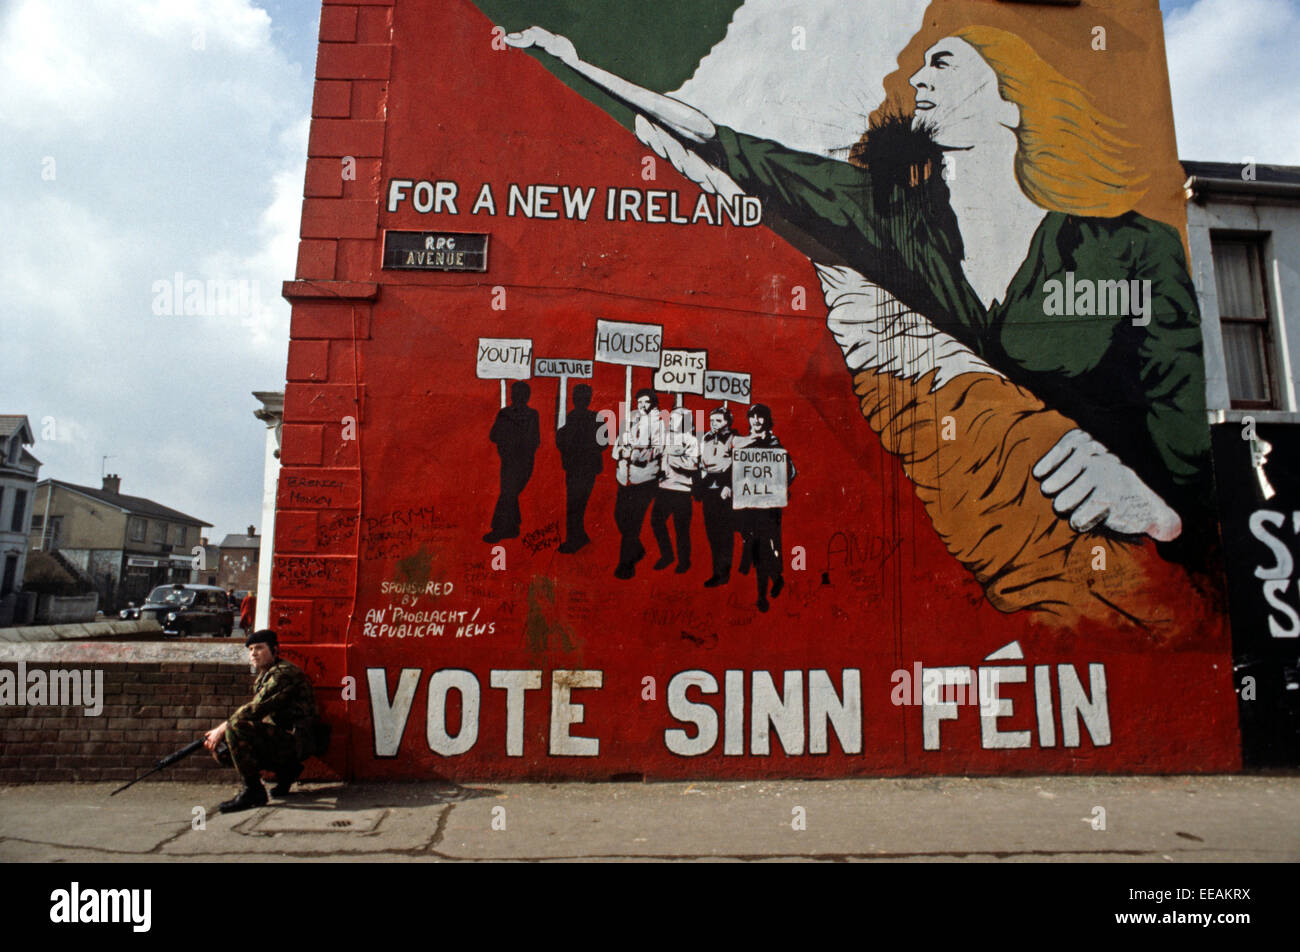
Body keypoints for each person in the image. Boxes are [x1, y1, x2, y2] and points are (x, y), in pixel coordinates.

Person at [503, 25, 1209, 566]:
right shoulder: (888, 217)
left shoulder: (1131, 247)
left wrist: (1153, 500)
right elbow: (726, 143)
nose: (919, 78)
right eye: (921, 65)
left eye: (944, 63)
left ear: (1010, 101)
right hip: (996, 541)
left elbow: (1185, 446)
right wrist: (574, 62)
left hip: (1135, 559)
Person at [203, 629, 318, 813]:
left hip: (298, 740)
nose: (253, 653)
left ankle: (253, 791)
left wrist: (221, 729)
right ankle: (286, 770)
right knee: (223, 750)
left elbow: (255, 709)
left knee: (234, 729)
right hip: (284, 738)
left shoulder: (284, 674)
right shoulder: (267, 674)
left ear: (274, 649)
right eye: (250, 650)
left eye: (259, 648)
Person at [733, 404, 796, 613]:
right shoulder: (743, 443)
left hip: (768, 506)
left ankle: (761, 596)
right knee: (755, 545)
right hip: (748, 505)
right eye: (753, 417)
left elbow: (790, 471)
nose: (756, 421)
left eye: (760, 417)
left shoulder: (775, 444)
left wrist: (781, 486)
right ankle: (776, 578)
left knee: (762, 547)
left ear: (766, 420)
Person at [611, 388, 666, 579]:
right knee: (619, 516)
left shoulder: (659, 422)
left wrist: (635, 455)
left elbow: (659, 448)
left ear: (653, 403)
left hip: (644, 479)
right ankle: (636, 549)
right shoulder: (631, 417)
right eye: (639, 402)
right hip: (623, 477)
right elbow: (618, 442)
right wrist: (620, 452)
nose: (642, 405)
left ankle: (626, 566)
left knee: (632, 523)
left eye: (646, 402)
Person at [485, 380, 541, 543]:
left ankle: (500, 529)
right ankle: (512, 526)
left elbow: (493, 436)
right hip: (524, 463)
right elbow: (535, 441)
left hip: (510, 461)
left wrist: (507, 443)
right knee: (510, 493)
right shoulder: (532, 415)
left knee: (508, 493)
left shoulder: (505, 414)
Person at [651, 406, 699, 573]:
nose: (670, 420)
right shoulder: (666, 437)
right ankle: (667, 555)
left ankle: (684, 562)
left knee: (681, 529)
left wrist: (672, 459)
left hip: (682, 491)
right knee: (656, 521)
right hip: (664, 488)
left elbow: (692, 465)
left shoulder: (691, 440)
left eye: (674, 418)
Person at [555, 383, 603, 553]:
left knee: (575, 504)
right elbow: (604, 442)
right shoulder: (594, 417)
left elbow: (561, 439)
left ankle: (575, 539)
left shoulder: (572, 417)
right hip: (585, 467)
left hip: (576, 467)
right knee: (578, 503)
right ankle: (579, 536)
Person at [698, 406, 736, 587]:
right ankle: (717, 572)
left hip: (724, 492)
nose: (714, 424)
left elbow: (738, 465)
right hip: (708, 490)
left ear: (728, 422)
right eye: (712, 420)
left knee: (725, 534)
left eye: (718, 420)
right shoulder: (705, 438)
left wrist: (728, 484)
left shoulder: (734, 439)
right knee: (712, 533)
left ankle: (724, 573)